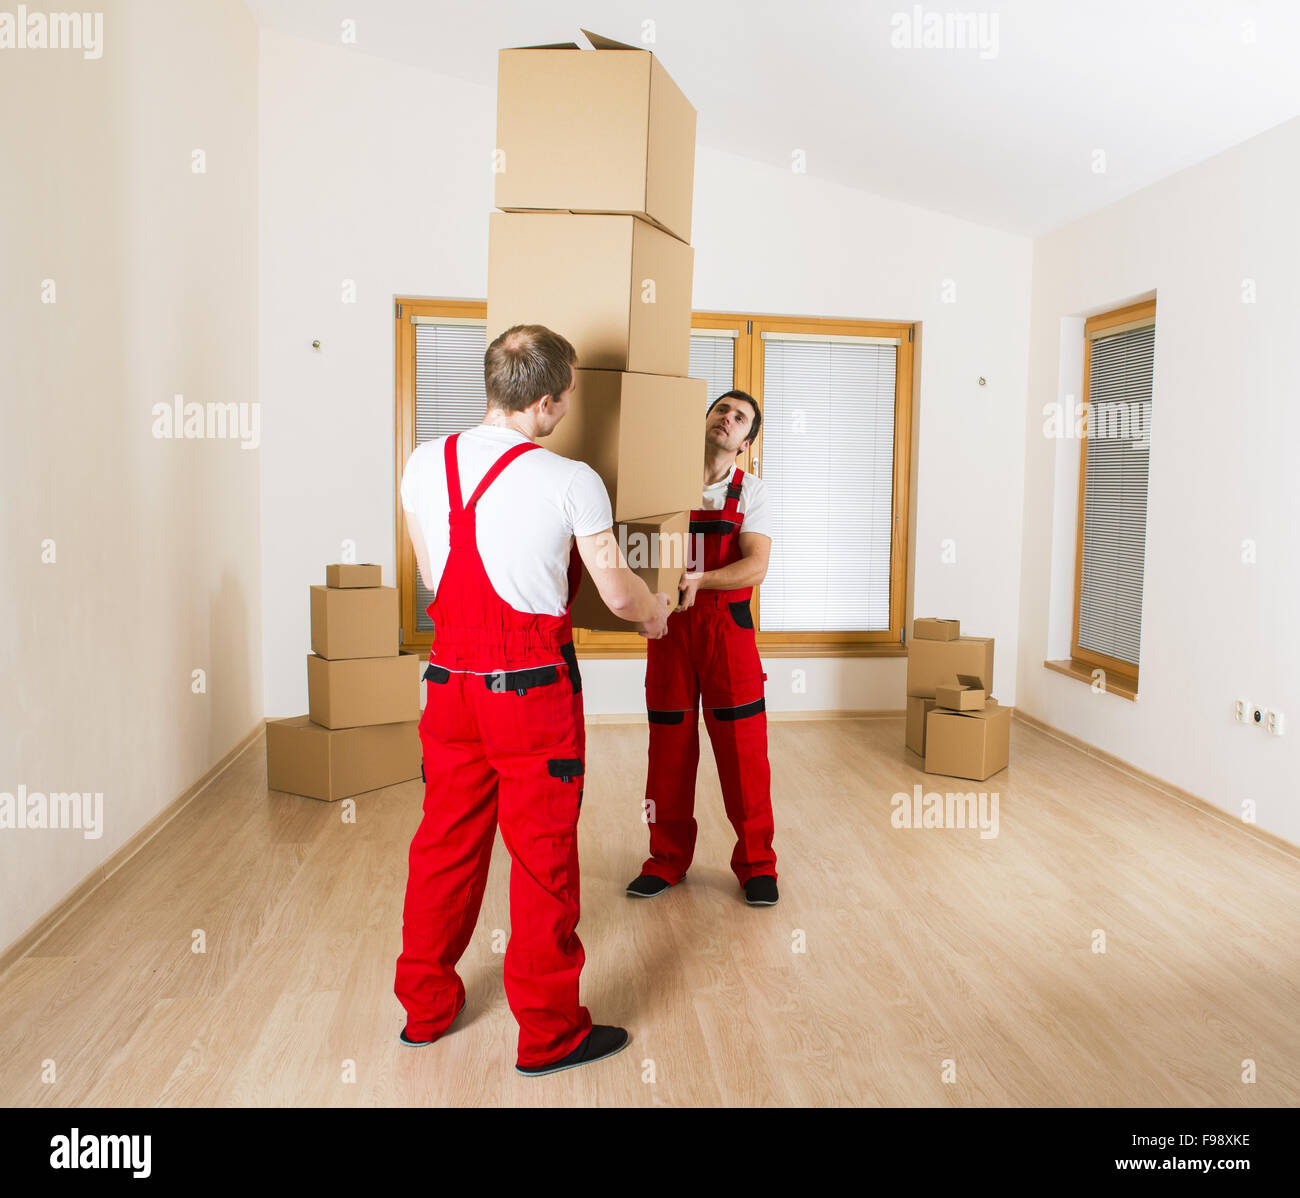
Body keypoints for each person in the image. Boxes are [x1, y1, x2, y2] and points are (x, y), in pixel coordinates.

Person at [394, 324, 671, 1076]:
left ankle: (425, 1009)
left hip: (449, 685)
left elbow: (432, 576)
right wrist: (654, 610)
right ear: (545, 402)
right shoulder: (571, 479)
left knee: (444, 846)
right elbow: (615, 591)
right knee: (542, 859)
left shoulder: (424, 462)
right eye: (569, 395)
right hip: (531, 697)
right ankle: (549, 1033)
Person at [627, 390, 779, 906]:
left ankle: (758, 863)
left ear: (746, 442)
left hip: (725, 634)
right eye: (721, 411)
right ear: (706, 420)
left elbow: (756, 565)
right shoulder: (665, 483)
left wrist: (703, 579)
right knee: (667, 749)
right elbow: (636, 548)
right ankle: (666, 860)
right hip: (669, 632)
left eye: (740, 419)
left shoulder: (752, 492)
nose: (727, 420)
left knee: (743, 752)